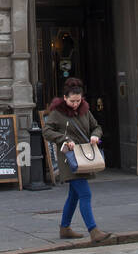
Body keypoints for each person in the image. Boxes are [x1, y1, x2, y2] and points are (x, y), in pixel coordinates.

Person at [42, 78, 110, 244]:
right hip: (69, 159)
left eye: (78, 100)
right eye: (72, 101)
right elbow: (46, 131)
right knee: (85, 193)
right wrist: (63, 138)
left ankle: (65, 228)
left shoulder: (85, 110)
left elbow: (96, 126)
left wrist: (95, 135)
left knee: (74, 195)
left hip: (84, 156)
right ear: (65, 98)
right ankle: (93, 230)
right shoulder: (57, 113)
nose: (75, 104)